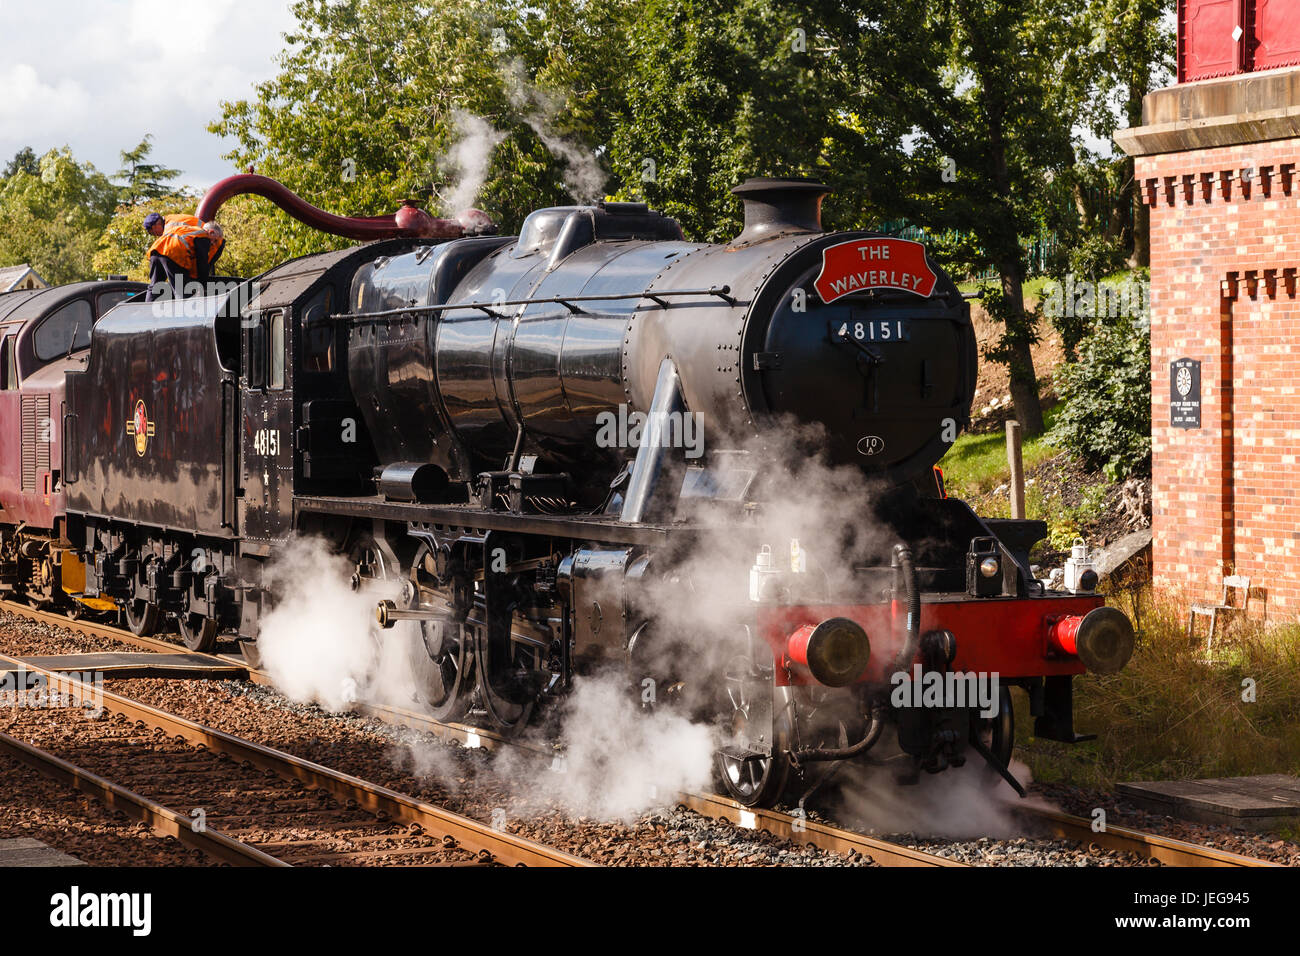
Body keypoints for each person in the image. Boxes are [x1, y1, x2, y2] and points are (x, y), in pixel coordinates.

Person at [143, 212, 225, 301]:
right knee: (182, 290)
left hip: (156, 251)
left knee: (155, 286)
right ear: (211, 232)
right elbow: (202, 263)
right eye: (215, 240)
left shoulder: (185, 229)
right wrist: (203, 285)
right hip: (172, 253)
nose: (212, 244)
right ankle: (183, 313)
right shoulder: (203, 235)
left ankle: (148, 310)